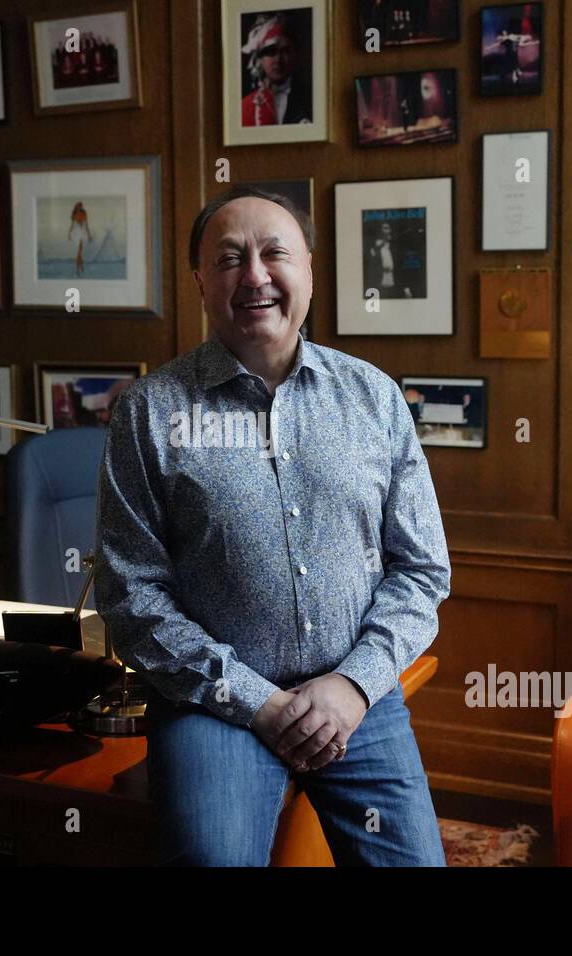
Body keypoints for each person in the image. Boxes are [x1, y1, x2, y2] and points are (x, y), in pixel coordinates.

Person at [95, 185, 450, 866]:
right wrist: (258, 701)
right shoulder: (148, 413)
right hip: (212, 703)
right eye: (229, 259)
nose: (254, 276)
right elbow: (131, 596)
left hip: (355, 696)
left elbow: (421, 569)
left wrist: (352, 686)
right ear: (200, 282)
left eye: (273, 254)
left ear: (309, 269)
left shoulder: (374, 397)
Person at [240, 13, 312, 126]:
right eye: (271, 52)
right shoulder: (245, 107)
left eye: (285, 51)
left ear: (294, 54)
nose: (278, 59)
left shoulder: (312, 99)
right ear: (260, 59)